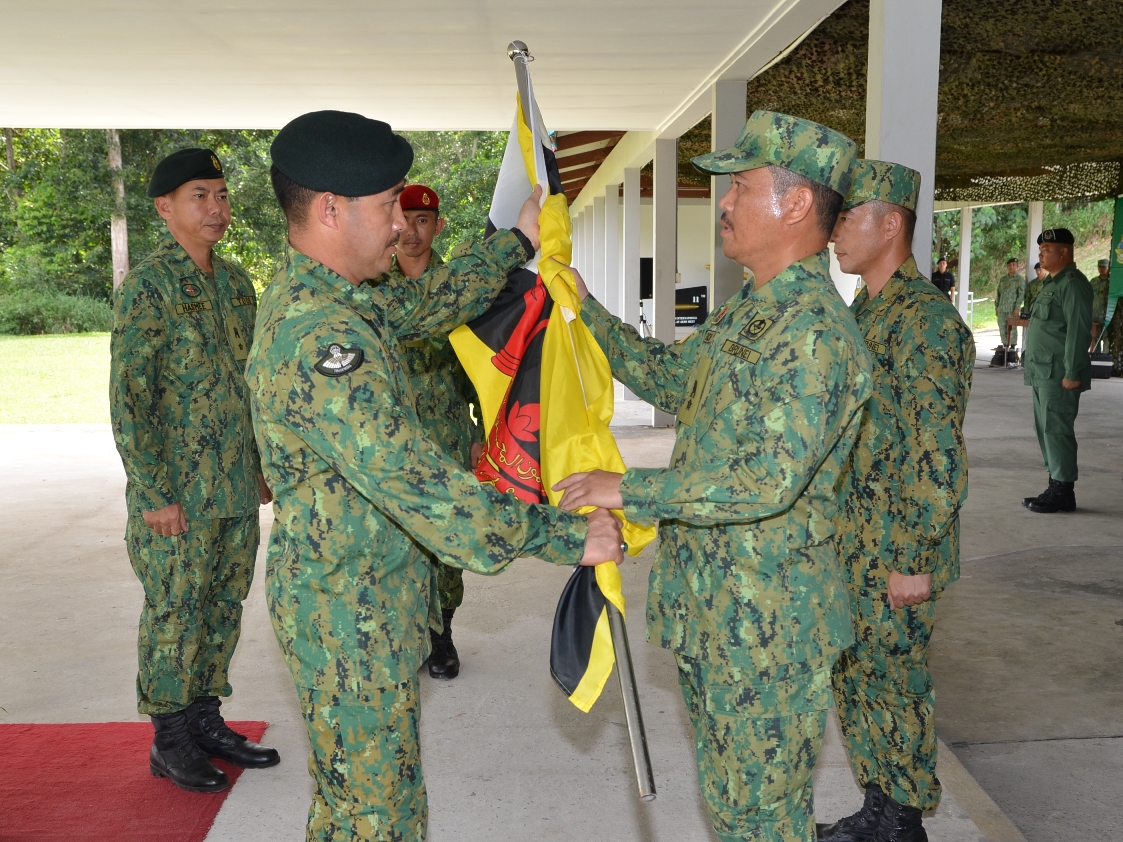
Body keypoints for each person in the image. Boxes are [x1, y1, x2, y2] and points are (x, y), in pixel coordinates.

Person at [245, 110, 623, 842]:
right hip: (344, 610)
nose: (400, 225)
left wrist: (514, 240)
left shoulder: (338, 298)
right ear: (330, 209)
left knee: (359, 803)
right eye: (387, 205)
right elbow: (418, 484)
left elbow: (426, 305)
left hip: (366, 594)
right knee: (377, 816)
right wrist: (560, 535)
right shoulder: (320, 337)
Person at [553, 110, 873, 842]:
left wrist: (625, 488)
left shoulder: (815, 336)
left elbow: (763, 482)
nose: (722, 202)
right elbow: (671, 377)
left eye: (737, 186)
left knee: (760, 819)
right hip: (717, 611)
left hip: (768, 627)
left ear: (794, 204)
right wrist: (584, 313)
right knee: (733, 810)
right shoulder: (753, 312)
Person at [110, 148, 279, 794]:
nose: (216, 209)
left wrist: (260, 465)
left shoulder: (236, 283)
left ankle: (205, 718)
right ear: (164, 208)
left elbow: (251, 383)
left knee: (222, 606)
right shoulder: (147, 288)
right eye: (199, 196)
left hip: (234, 486)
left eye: (221, 195)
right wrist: (154, 493)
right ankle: (170, 737)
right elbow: (129, 399)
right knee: (176, 612)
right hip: (177, 493)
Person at [820, 160, 974, 842]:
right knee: (858, 679)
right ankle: (878, 806)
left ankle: (903, 820)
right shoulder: (866, 310)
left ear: (889, 224)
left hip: (894, 545)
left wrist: (912, 558)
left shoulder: (924, 322)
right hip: (853, 540)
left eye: (846, 218)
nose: (832, 233)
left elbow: (936, 453)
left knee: (897, 682)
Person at [378, 183, 481, 679]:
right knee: (395, 539)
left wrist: (485, 429)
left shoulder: (460, 288)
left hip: (447, 436)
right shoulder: (374, 284)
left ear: (438, 226)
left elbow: (485, 366)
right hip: (390, 440)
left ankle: (442, 634)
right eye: (406, 218)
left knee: (448, 539)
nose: (413, 231)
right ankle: (403, 630)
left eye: (425, 220)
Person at [1022, 228, 1093, 514]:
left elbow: (1078, 330)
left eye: (1047, 249)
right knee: (1046, 430)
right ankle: (1055, 484)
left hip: (1059, 372)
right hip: (1043, 371)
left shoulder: (1072, 284)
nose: (1041, 254)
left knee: (1057, 429)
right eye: (1041, 250)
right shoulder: (1051, 283)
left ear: (1064, 252)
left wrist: (1073, 371)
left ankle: (1063, 490)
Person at [994, 257, 1024, 355]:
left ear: (1017, 266)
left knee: (1012, 328)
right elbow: (998, 294)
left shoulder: (1019, 280)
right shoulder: (1003, 279)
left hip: (1012, 309)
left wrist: (1017, 307)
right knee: (1002, 328)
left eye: (1013, 265)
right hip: (1002, 308)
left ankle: (1012, 348)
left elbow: (1021, 294)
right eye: (1010, 265)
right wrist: (997, 307)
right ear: (1007, 266)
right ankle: (1005, 346)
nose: (1011, 267)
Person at [1090, 257, 1110, 349]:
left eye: (1104, 267)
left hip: (1108, 316)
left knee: (1107, 339)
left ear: (1108, 268)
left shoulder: (1112, 282)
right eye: (1100, 267)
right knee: (1094, 340)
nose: (1102, 269)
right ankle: (1095, 359)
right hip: (1095, 316)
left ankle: (1107, 359)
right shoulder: (1093, 281)